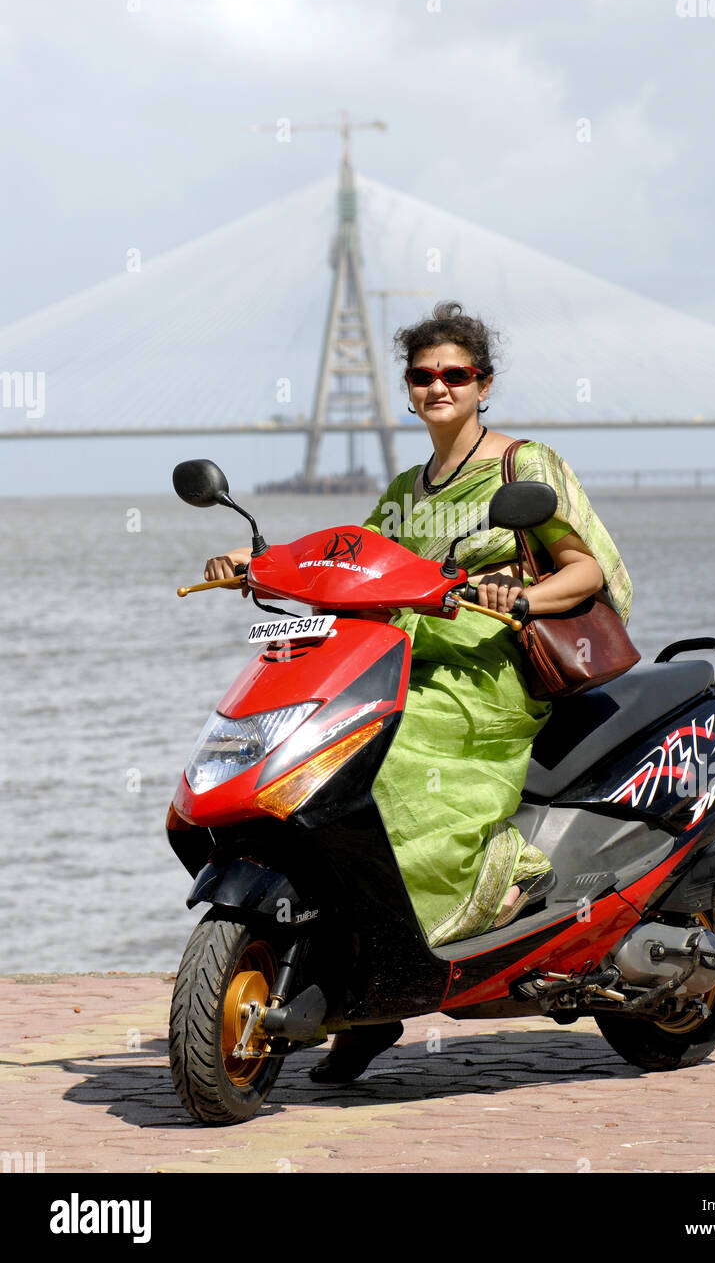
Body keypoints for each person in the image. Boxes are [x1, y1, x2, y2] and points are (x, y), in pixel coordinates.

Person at [203, 301, 632, 1084]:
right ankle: (368, 986)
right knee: (320, 775)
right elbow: (353, 563)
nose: (439, 386)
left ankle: (494, 884)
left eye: (455, 375)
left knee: (388, 771)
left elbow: (586, 570)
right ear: (407, 388)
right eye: (423, 375)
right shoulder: (406, 485)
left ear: (483, 385)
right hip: (407, 662)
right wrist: (258, 561)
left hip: (488, 675)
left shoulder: (522, 467)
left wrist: (523, 599)